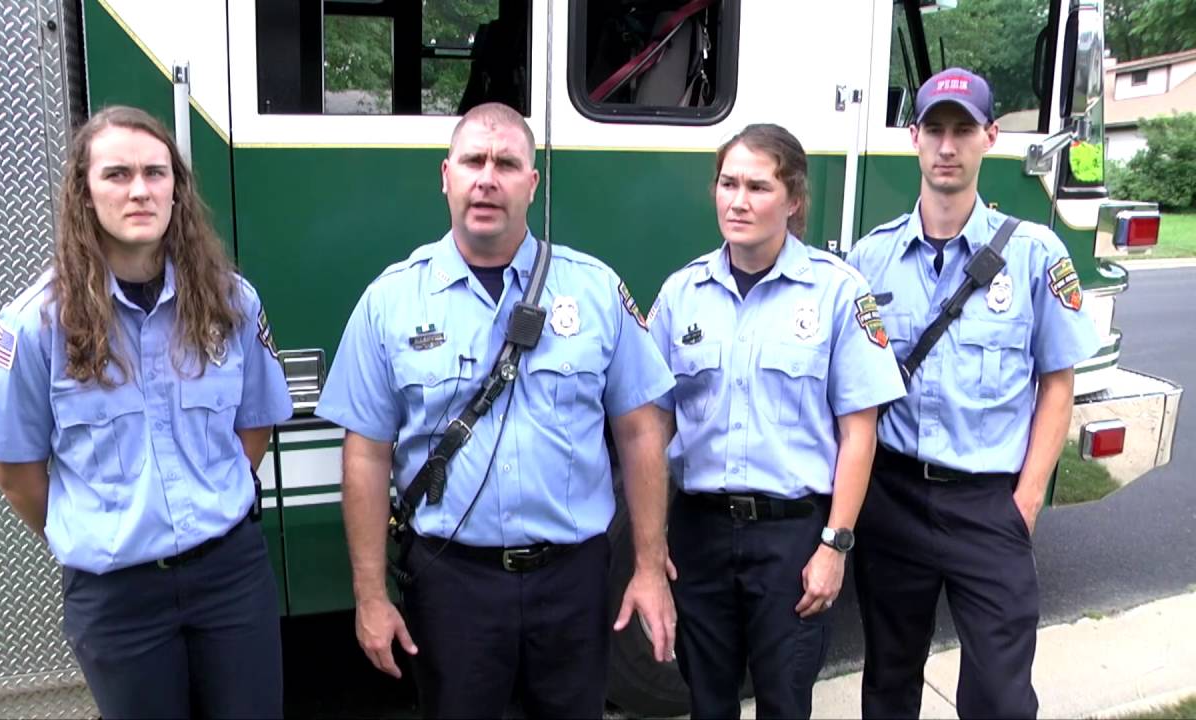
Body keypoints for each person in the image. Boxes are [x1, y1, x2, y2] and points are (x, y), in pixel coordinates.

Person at [315, 102, 677, 719]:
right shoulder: (390, 301)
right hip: (453, 585)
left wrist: (649, 566)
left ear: (532, 183)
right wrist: (370, 594)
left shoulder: (593, 289)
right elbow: (367, 455)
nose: (488, 177)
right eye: (473, 161)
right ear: (445, 176)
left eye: (507, 163)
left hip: (573, 581)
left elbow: (642, 431)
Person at [0, 105, 292, 719]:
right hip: (117, 596)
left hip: (229, 576)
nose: (140, 189)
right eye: (117, 174)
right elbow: (16, 472)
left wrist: (208, 494)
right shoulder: (37, 324)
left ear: (177, 187)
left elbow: (255, 423)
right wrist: (102, 529)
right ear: (85, 194)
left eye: (156, 172)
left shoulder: (230, 302)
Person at [846, 68, 1100, 719]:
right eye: (935, 129)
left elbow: (1057, 382)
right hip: (893, 498)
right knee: (889, 682)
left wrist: (1026, 498)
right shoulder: (868, 261)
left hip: (989, 504)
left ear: (990, 136)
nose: (948, 146)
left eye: (963, 129)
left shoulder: (1035, 255)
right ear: (915, 138)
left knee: (1000, 697)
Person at [647, 123, 905, 718]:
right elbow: (653, 427)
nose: (738, 201)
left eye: (758, 187)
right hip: (700, 534)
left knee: (785, 702)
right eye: (727, 183)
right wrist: (653, 536)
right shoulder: (682, 293)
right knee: (707, 702)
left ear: (792, 201)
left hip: (791, 538)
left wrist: (835, 545)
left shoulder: (839, 293)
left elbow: (858, 433)